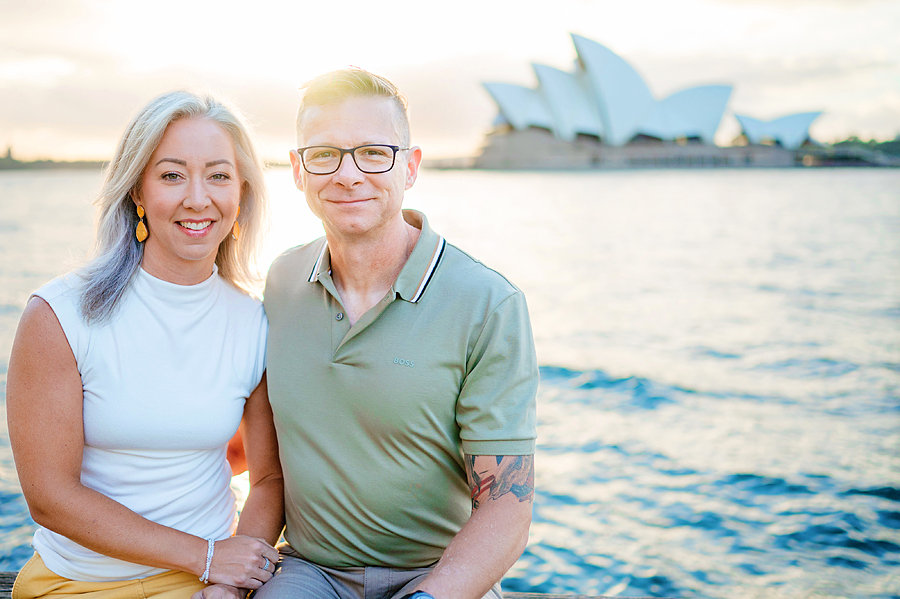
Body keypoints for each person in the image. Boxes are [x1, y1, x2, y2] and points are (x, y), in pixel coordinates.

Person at [259, 68, 538, 599]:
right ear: (298, 171)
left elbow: (507, 505)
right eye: (324, 154)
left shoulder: (488, 303)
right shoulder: (281, 281)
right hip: (308, 571)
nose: (347, 174)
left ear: (410, 167)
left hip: (437, 575)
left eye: (373, 152)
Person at [6, 91, 284, 599]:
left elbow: (266, 480)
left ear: (241, 192)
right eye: (172, 175)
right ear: (137, 190)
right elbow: (50, 497)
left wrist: (232, 583)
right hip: (77, 584)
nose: (198, 198)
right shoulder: (60, 314)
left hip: (206, 586)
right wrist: (206, 557)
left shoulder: (255, 322)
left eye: (219, 175)